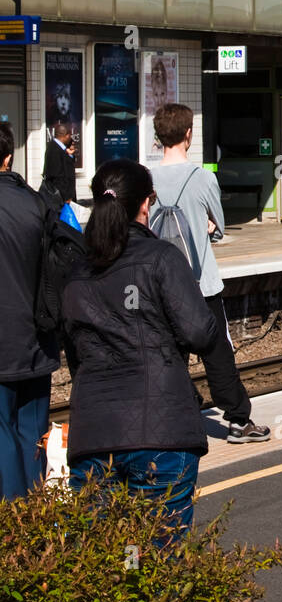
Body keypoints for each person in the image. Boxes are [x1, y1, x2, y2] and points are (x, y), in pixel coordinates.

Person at [61, 159, 219, 540]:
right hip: (162, 432)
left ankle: (123, 589)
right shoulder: (162, 258)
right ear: (146, 204)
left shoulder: (75, 275)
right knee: (156, 556)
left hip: (94, 435)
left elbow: (74, 356)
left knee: (108, 556)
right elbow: (200, 332)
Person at [151, 104, 269, 445]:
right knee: (218, 353)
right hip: (202, 284)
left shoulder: (147, 178)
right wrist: (208, 227)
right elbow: (218, 229)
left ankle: (178, 414)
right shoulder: (202, 177)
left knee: (170, 355)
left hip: (161, 286)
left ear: (159, 138)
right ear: (189, 134)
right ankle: (238, 421)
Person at [0, 122, 60, 499]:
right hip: (39, 339)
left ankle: (12, 524)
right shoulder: (38, 202)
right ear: (8, 156)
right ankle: (39, 517)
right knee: (31, 431)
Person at [41, 122, 77, 211]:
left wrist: (70, 155)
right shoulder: (54, 149)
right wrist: (66, 197)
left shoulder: (61, 149)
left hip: (64, 198)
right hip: (60, 200)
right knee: (62, 223)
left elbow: (67, 168)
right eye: (70, 136)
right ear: (66, 135)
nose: (71, 139)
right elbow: (57, 176)